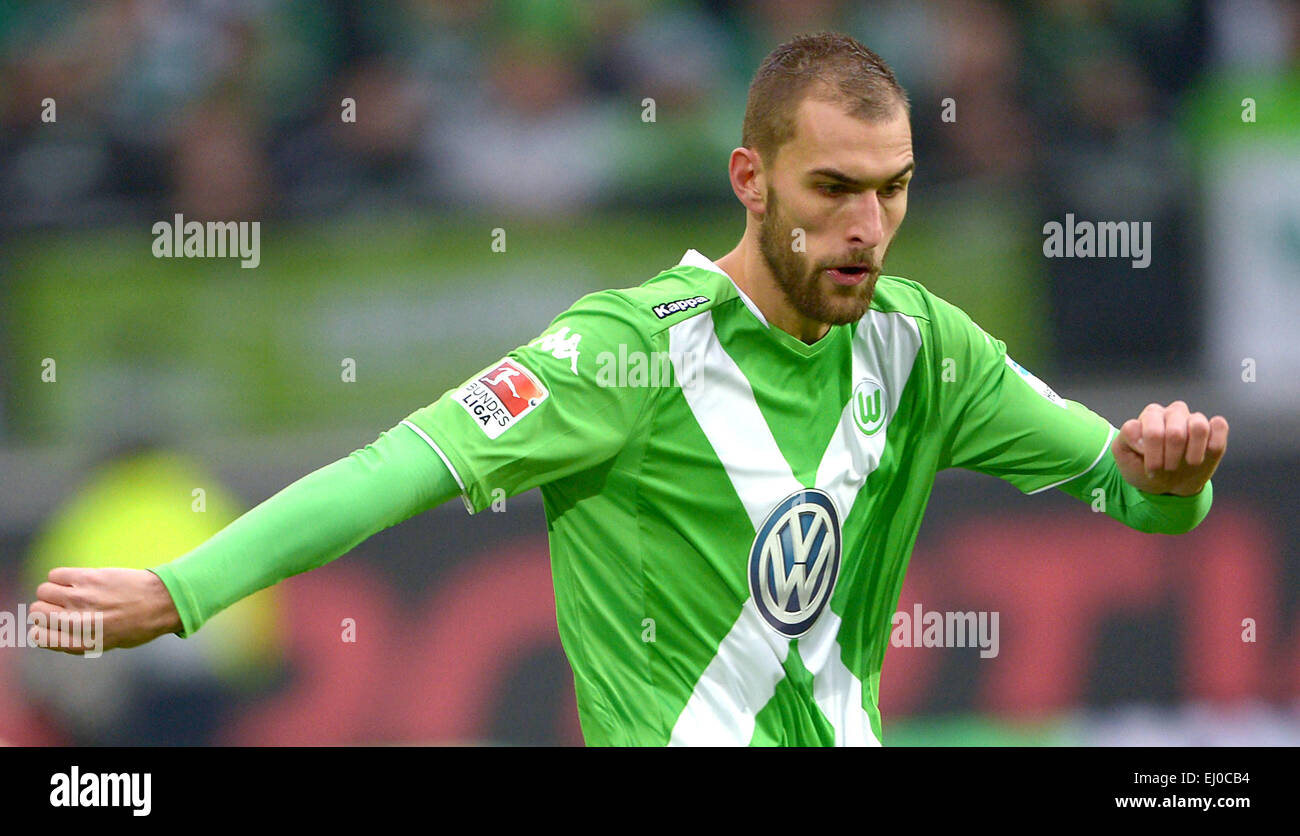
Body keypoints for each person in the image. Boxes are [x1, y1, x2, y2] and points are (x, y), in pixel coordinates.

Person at [28, 32, 1229, 746]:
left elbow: (1131, 497)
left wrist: (1171, 481)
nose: (869, 228)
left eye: (894, 187)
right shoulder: (627, 349)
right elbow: (397, 466)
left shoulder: (926, 344)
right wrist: (181, 589)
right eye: (831, 189)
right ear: (749, 180)